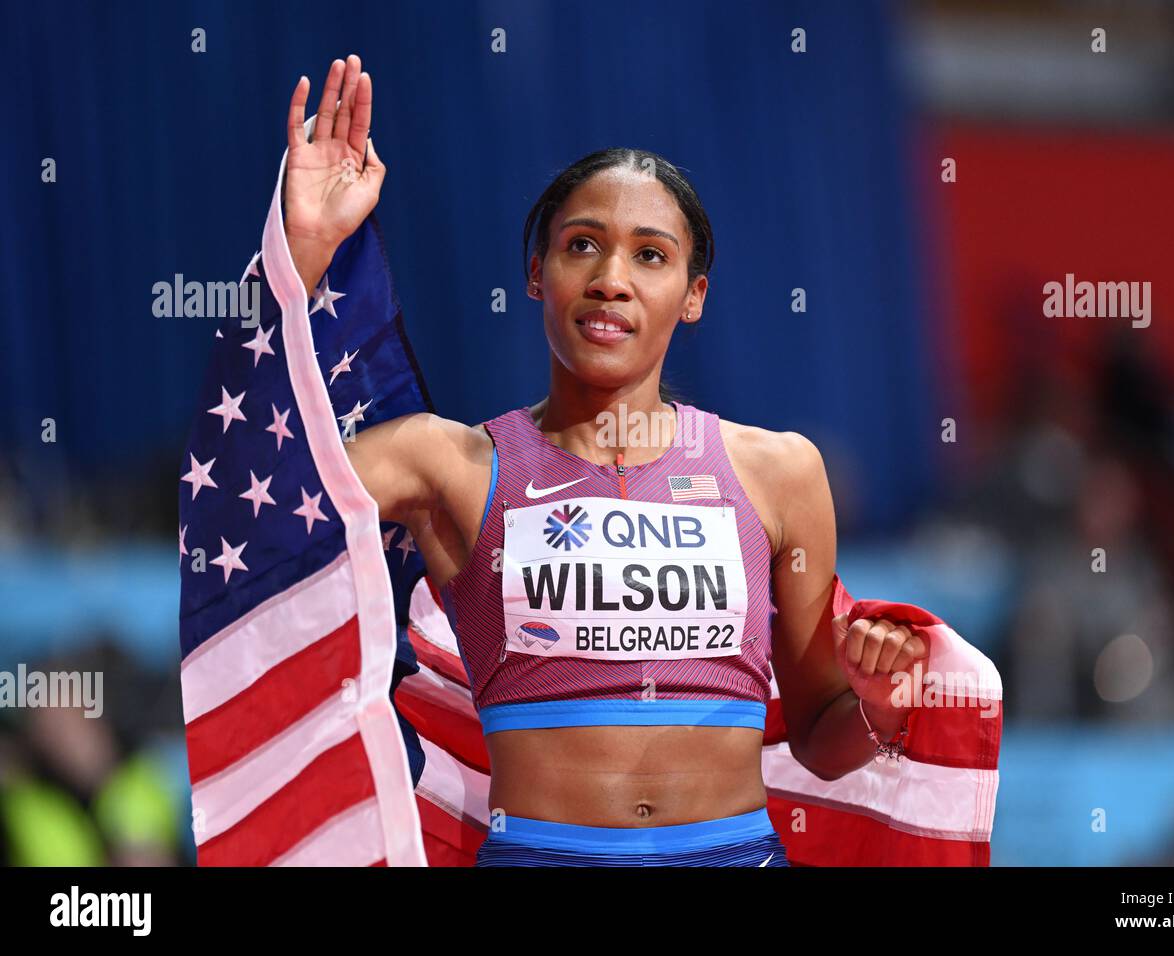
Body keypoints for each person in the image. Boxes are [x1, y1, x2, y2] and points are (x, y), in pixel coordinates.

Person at [282, 55, 929, 866]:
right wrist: (303, 254)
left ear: (694, 295)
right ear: (535, 274)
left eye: (650, 255)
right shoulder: (444, 464)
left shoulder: (781, 473)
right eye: (581, 246)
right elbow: (258, 503)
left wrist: (874, 707)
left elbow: (817, 739)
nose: (611, 280)